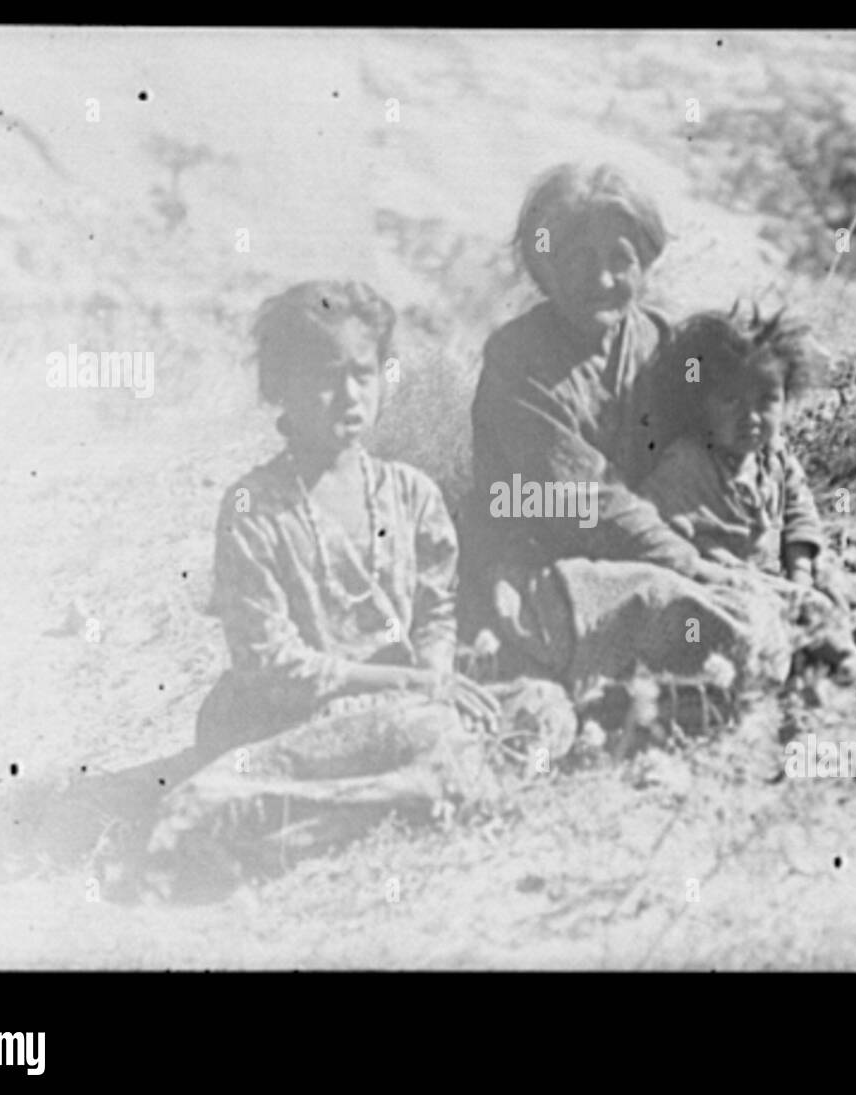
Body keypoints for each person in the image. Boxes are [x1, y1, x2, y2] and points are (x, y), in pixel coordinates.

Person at [129, 280, 503, 899]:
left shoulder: (412, 495)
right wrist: (408, 687)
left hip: (399, 708)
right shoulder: (254, 507)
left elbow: (436, 611)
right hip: (285, 718)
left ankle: (314, 818)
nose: (348, 396)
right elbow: (268, 663)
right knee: (442, 751)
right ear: (281, 387)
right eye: (325, 377)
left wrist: (434, 680)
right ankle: (245, 812)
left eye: (363, 373)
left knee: (540, 710)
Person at [459, 163, 792, 690]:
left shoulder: (662, 343)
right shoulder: (517, 363)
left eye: (621, 259)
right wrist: (687, 561)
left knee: (758, 594)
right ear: (545, 266)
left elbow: (722, 436)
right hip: (546, 566)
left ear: (647, 262)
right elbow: (582, 499)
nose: (603, 280)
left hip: (653, 546)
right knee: (674, 602)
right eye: (579, 260)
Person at [639, 307, 856, 687]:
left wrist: (801, 571)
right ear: (700, 403)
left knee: (827, 584)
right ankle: (846, 662)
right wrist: (719, 563)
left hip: (776, 575)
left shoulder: (773, 454)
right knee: (765, 620)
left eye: (767, 399)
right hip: (724, 584)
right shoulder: (686, 463)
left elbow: (799, 509)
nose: (751, 417)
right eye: (731, 400)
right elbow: (659, 532)